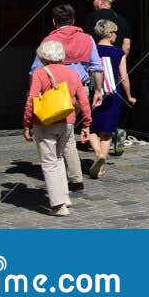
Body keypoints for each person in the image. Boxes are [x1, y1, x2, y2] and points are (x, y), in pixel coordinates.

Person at [24, 39, 92, 217]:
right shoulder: (72, 73)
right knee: (58, 158)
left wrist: (26, 123)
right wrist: (86, 124)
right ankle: (65, 196)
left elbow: (31, 100)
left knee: (49, 163)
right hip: (67, 122)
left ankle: (58, 204)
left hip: (44, 123)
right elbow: (83, 101)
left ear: (43, 56)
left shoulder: (39, 73)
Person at [83, 20, 135, 178]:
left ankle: (98, 155)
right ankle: (100, 161)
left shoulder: (90, 50)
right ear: (110, 34)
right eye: (115, 33)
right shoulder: (119, 53)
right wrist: (129, 96)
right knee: (107, 132)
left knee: (91, 128)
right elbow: (124, 77)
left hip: (93, 93)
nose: (116, 36)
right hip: (113, 94)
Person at [83, 0, 132, 68]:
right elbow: (127, 45)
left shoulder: (90, 18)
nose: (92, 3)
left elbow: (86, 42)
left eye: (94, 0)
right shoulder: (122, 20)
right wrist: (120, 62)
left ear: (101, 2)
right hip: (115, 63)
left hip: (95, 64)